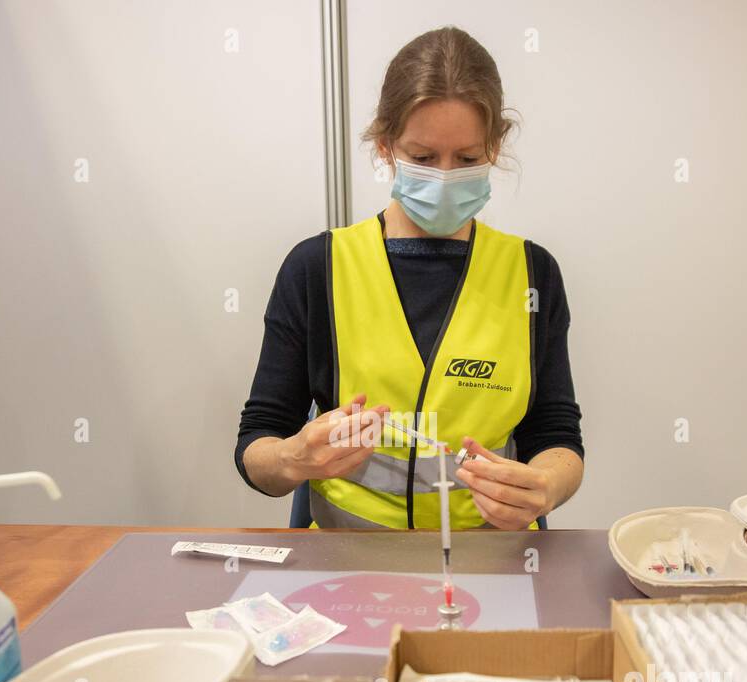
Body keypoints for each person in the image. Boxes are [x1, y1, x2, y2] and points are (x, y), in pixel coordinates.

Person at [235, 26, 583, 531]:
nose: (444, 176)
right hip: (345, 567)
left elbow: (556, 434)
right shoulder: (317, 268)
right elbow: (258, 443)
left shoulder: (532, 275)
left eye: (466, 160)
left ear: (495, 146)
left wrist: (546, 486)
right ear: (385, 146)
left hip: (493, 564)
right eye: (422, 158)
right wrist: (294, 460)